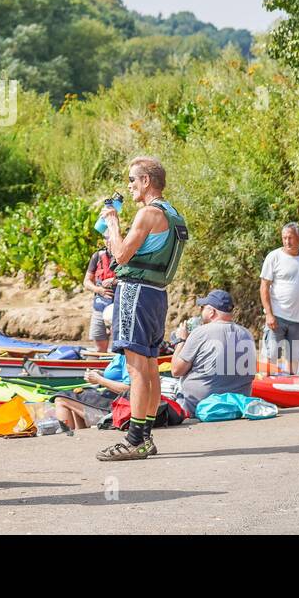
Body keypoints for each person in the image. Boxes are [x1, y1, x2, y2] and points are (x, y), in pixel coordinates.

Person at [97, 156, 189, 461]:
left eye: (132, 180)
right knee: (150, 367)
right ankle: (145, 435)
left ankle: (135, 439)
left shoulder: (148, 214)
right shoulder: (173, 214)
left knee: (137, 369)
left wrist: (112, 223)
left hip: (135, 293)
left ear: (147, 181)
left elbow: (121, 255)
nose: (130, 186)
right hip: (157, 295)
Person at [170, 290, 256, 417]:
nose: (200, 311)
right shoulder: (247, 334)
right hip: (238, 404)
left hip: (200, 405)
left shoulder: (200, 332)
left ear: (212, 312)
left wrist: (181, 341)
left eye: (203, 308)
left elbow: (176, 371)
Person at [54, 303, 131, 430]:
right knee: (74, 396)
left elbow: (129, 389)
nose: (107, 331)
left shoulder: (127, 353)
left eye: (108, 327)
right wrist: (101, 375)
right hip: (112, 400)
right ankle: (78, 435)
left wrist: (100, 380)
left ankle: (66, 437)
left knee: (61, 399)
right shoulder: (121, 351)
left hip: (118, 406)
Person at [258, 222, 299, 373]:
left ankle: (290, 389)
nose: (287, 241)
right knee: (270, 356)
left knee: (294, 360)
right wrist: (269, 314)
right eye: (284, 238)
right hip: (277, 317)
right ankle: (266, 389)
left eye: (290, 238)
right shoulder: (274, 257)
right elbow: (264, 286)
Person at [82, 243, 117, 351]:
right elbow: (86, 281)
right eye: (107, 239)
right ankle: (97, 366)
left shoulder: (127, 254)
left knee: (120, 345)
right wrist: (98, 290)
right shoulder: (97, 256)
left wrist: (114, 281)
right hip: (100, 307)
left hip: (118, 309)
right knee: (99, 346)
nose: (109, 242)